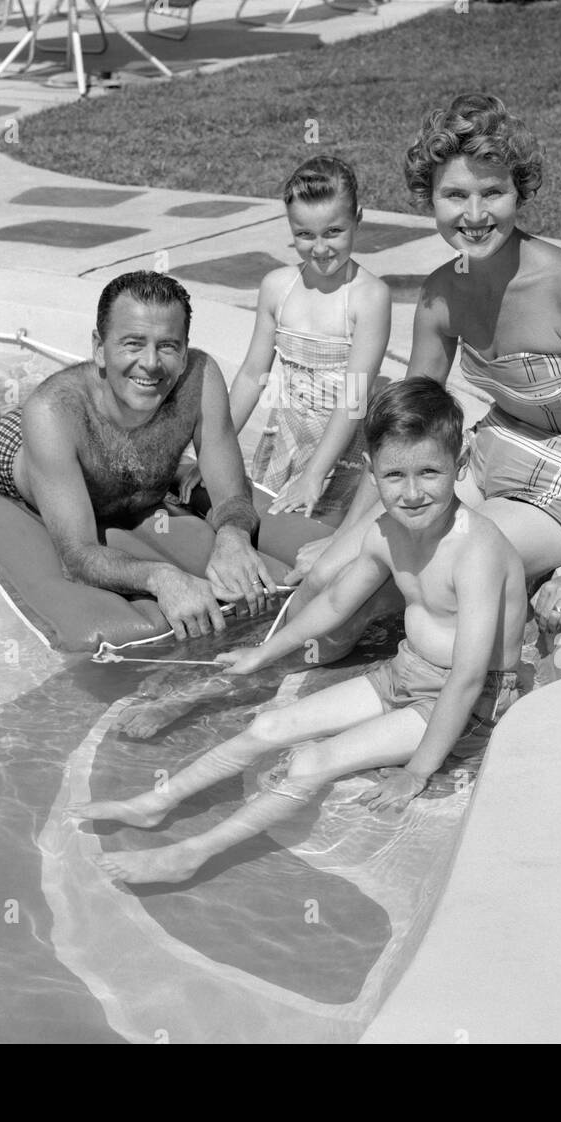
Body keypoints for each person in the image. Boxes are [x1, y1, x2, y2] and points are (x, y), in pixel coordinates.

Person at [67, 378, 526, 885]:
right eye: (395, 475)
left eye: (430, 473)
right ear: (372, 473)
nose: (412, 492)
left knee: (310, 763)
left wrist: (417, 771)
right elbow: (333, 602)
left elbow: (465, 677)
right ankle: (157, 802)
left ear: (459, 468)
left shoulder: (476, 552)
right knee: (266, 729)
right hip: (407, 673)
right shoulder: (387, 531)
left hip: (468, 697)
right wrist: (265, 654)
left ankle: (193, 853)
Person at [287, 92, 561, 639]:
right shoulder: (441, 293)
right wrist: (345, 537)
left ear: (518, 193)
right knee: (328, 590)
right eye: (455, 194)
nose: (475, 215)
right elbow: (400, 430)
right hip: (491, 452)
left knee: (432, 573)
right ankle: (221, 692)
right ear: (429, 198)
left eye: (493, 193)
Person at [0, 270, 277, 640]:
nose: (151, 363)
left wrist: (233, 537)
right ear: (98, 348)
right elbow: (78, 555)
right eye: (133, 344)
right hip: (14, 452)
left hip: (98, 449)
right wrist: (161, 577)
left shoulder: (200, 379)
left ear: (185, 350)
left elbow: (231, 491)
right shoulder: (52, 411)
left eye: (168, 345)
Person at [180, 156, 391, 520]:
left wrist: (313, 475)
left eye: (334, 232)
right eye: (305, 235)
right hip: (286, 440)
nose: (320, 248)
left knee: (317, 540)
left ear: (358, 217)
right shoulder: (278, 287)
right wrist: (213, 455)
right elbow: (250, 376)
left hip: (342, 450)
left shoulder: (368, 296)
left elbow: (355, 396)